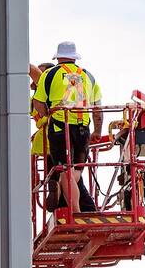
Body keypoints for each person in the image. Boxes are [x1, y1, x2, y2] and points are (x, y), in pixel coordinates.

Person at [32, 41, 102, 213]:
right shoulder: (88, 76)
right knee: (76, 170)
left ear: (58, 57)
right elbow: (98, 108)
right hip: (83, 128)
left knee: (65, 171)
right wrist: (98, 131)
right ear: (75, 57)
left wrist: (47, 115)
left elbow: (38, 102)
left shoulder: (50, 74)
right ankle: (67, 194)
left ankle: (75, 212)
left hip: (59, 128)